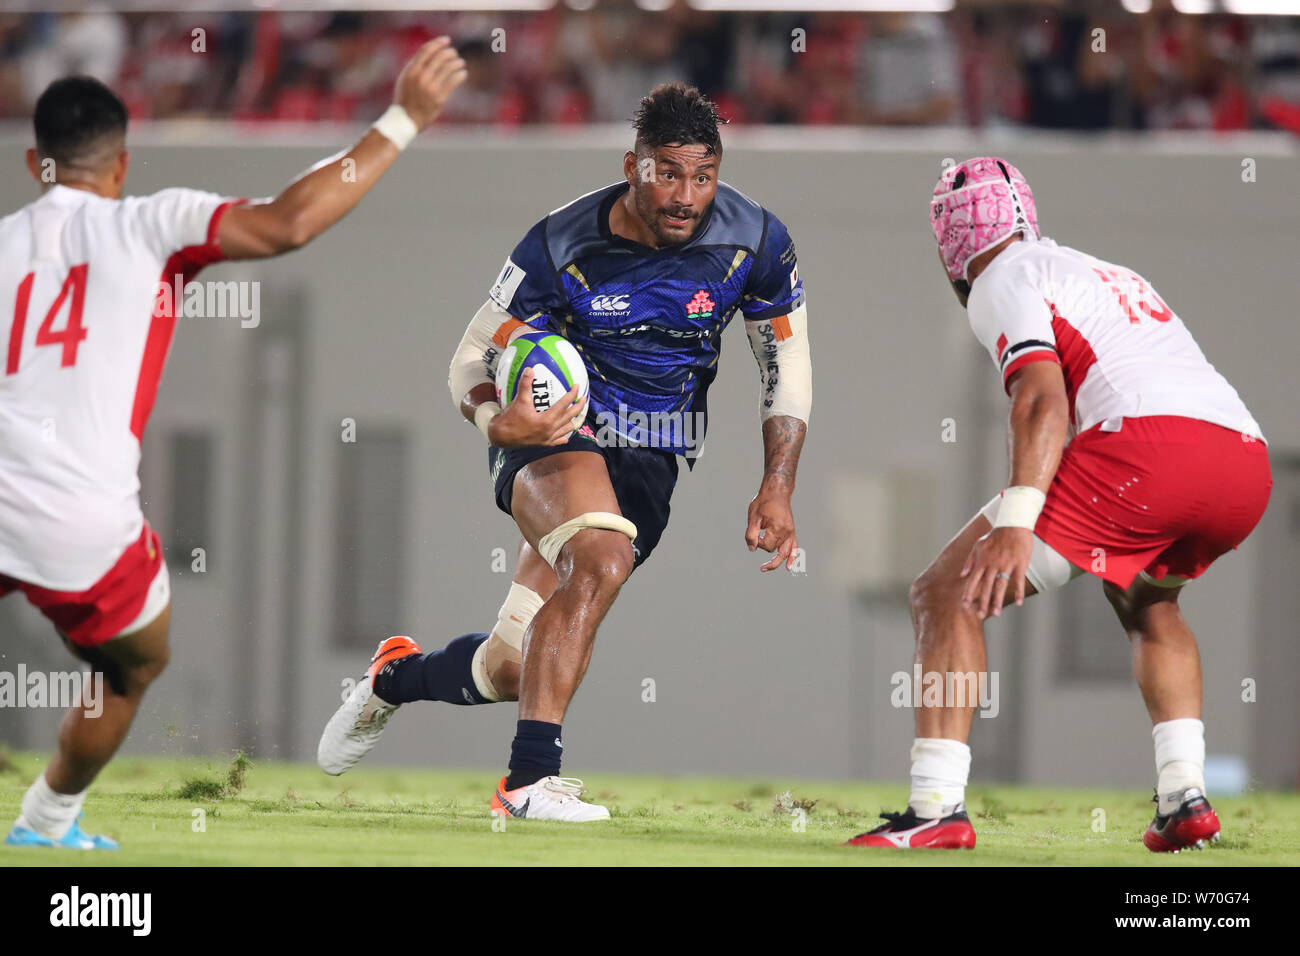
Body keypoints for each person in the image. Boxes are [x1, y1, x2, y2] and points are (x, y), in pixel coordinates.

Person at [2, 39, 466, 849]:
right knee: (133, 664)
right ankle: (46, 823)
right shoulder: (150, 223)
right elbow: (291, 221)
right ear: (121, 164)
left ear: (34, 162)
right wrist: (404, 116)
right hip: (81, 516)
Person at [317, 82, 812, 822]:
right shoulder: (561, 243)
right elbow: (470, 358)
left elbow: (787, 368)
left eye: (702, 176)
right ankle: (526, 782)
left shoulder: (756, 240)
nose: (686, 195)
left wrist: (778, 485)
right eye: (668, 173)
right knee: (601, 559)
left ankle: (396, 679)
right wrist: (497, 424)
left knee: (515, 666)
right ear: (632, 166)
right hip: (556, 432)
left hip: (652, 456)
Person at [847, 156, 1270, 852]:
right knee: (1148, 602)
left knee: (944, 593)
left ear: (953, 237)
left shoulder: (1002, 277)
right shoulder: (1115, 273)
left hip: (1150, 451)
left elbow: (1041, 398)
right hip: (1243, 464)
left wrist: (1016, 523)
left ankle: (935, 809)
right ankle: (1184, 798)